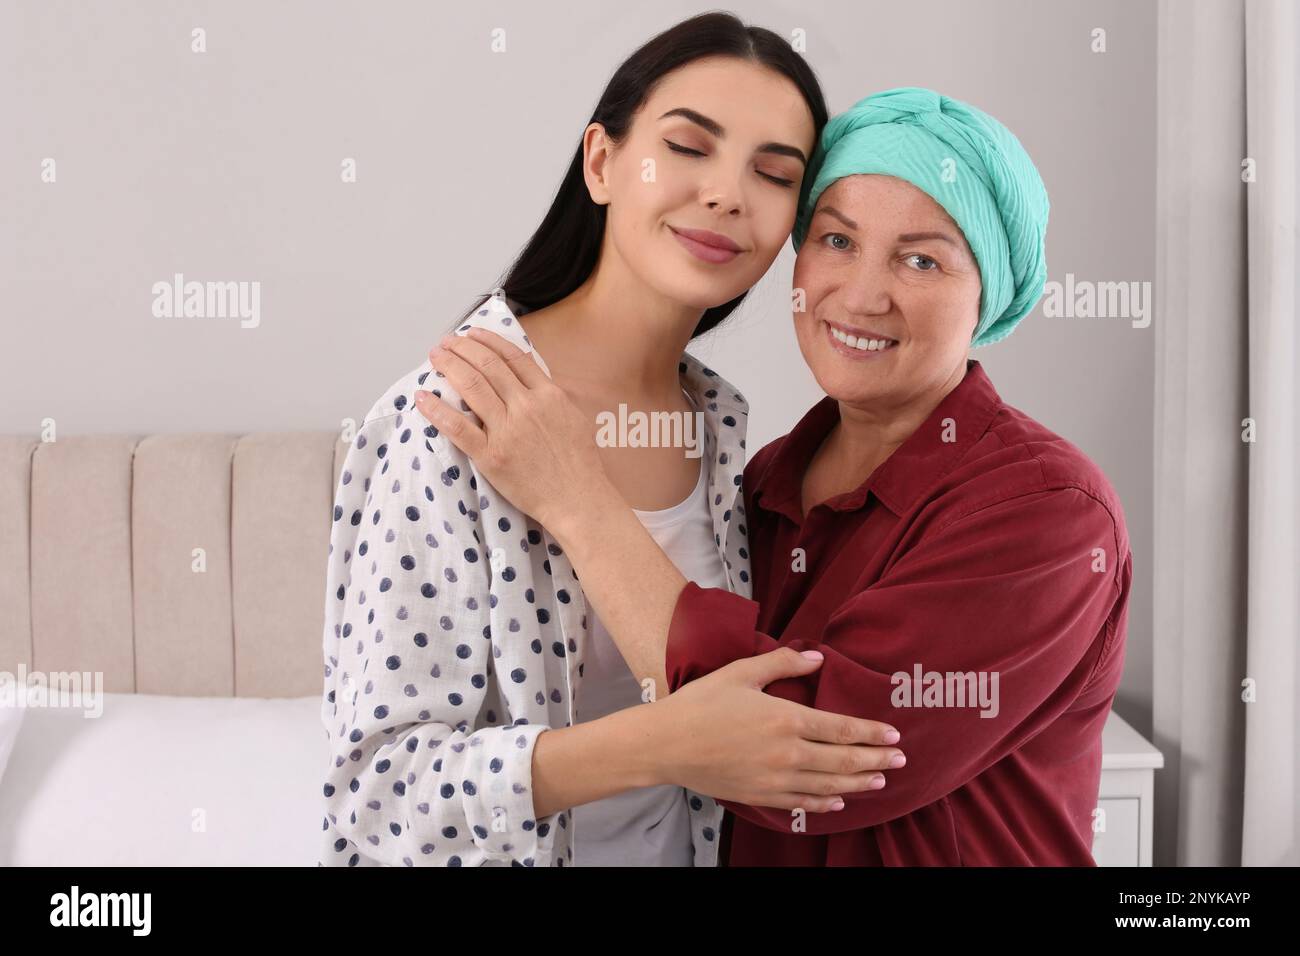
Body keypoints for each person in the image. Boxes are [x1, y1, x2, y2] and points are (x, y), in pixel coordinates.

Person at [416, 87, 1132, 865]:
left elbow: (791, 753)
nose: (861, 294)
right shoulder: (758, 482)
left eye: (921, 259)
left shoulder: (1046, 512)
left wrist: (577, 500)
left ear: (987, 297)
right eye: (836, 241)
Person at [319, 14, 905, 869]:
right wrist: (662, 742)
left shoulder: (725, 436)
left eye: (773, 174)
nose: (727, 195)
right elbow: (377, 796)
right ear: (602, 163)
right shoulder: (454, 418)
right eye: (688, 147)